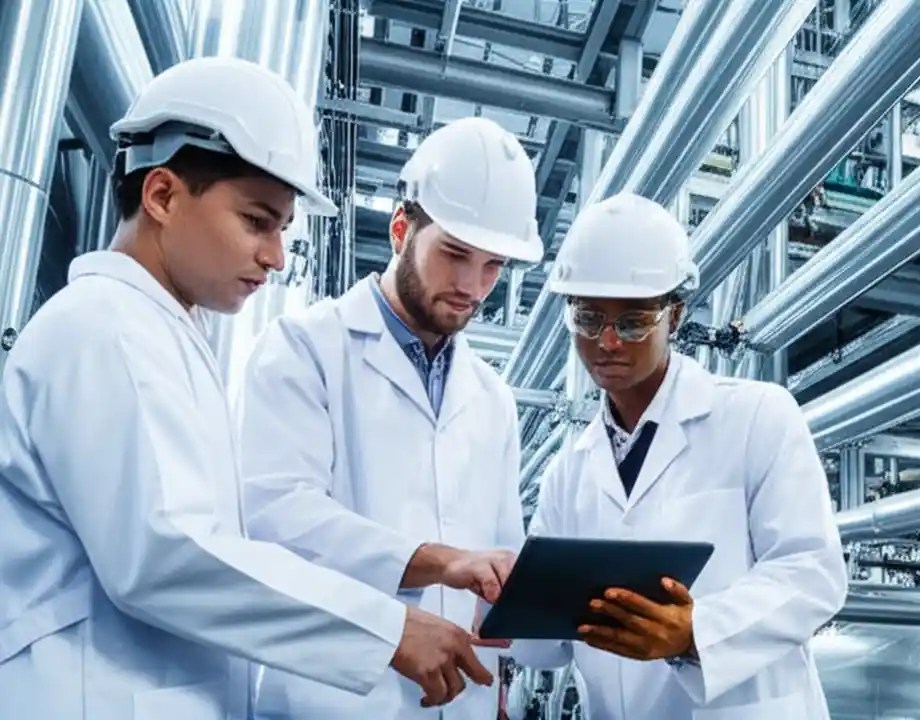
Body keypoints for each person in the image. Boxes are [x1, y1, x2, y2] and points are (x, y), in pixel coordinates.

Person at [0, 57, 504, 720]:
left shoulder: (162, 335)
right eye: (256, 221)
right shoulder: (102, 328)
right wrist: (387, 630)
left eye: (282, 230)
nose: (276, 256)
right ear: (162, 196)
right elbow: (165, 558)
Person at [232, 116, 542, 719]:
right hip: (334, 702)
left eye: (493, 265)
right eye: (455, 253)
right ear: (402, 230)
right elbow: (275, 516)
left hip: (465, 703)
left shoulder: (492, 397)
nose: (472, 286)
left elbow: (500, 555)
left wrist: (511, 637)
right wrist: (439, 560)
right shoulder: (305, 349)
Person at [511, 193, 848, 720]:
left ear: (675, 314)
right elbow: (544, 647)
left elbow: (813, 573)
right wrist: (502, 598)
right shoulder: (568, 473)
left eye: (632, 322)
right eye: (588, 317)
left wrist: (696, 632)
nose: (608, 342)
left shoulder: (757, 417)